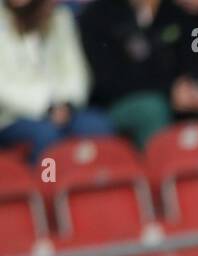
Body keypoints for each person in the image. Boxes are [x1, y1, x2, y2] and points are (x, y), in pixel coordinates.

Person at [78, 0, 198, 148]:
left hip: (184, 94)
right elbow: (107, 80)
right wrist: (169, 90)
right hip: (128, 103)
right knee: (151, 109)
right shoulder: (95, 19)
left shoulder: (179, 14)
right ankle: (161, 176)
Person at [0, 0, 115, 162]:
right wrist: (47, 106)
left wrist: (65, 103)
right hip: (15, 117)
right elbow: (3, 88)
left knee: (99, 125)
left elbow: (76, 70)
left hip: (66, 108)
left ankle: (96, 184)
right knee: (46, 135)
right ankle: (47, 183)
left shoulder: (60, 18)